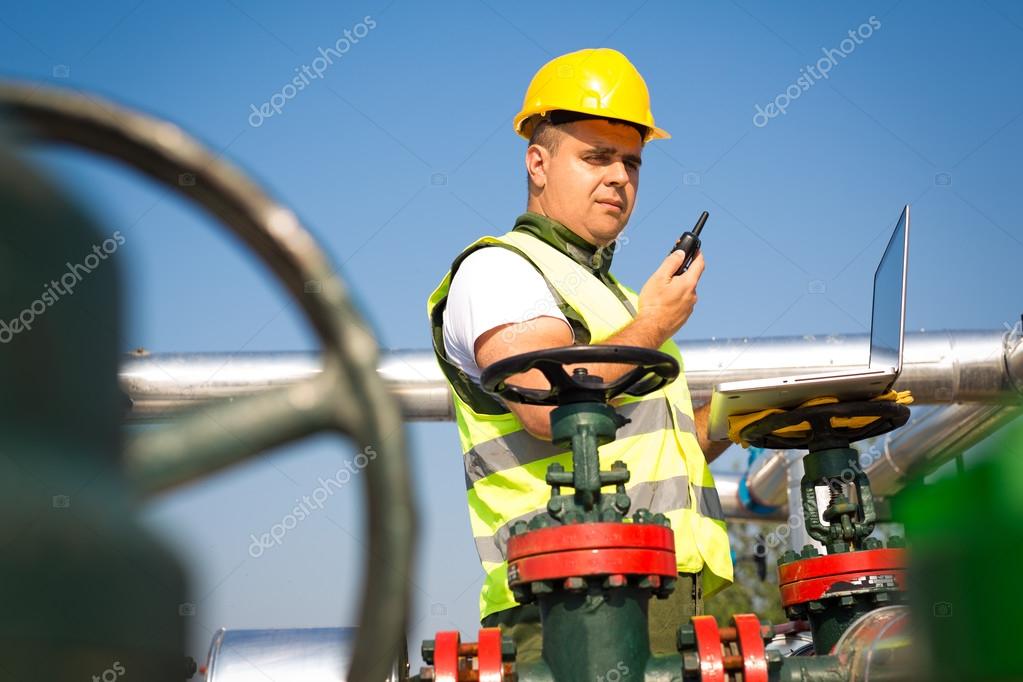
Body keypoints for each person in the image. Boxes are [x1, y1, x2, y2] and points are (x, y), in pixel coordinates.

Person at [426, 48, 733, 660]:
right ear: (538, 163)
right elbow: (547, 407)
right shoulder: (500, 270)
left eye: (632, 163)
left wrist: (735, 422)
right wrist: (649, 324)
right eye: (597, 157)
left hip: (659, 592)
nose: (620, 177)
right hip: (563, 600)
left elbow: (645, 452)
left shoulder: (615, 296)